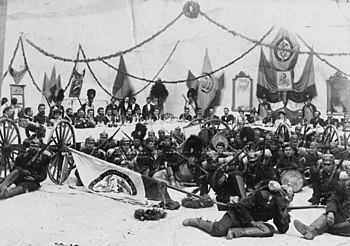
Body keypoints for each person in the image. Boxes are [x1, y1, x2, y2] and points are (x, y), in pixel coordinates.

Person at [183, 181, 293, 239]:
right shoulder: (263, 196)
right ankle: (198, 222)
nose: (285, 203)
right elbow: (240, 206)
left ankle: (237, 232)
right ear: (278, 195)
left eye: (287, 202)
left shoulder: (280, 208)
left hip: (250, 225)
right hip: (237, 216)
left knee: (270, 230)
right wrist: (253, 222)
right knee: (218, 231)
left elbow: (282, 230)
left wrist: (283, 215)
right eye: (284, 201)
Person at [294, 160, 350, 239]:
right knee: (327, 217)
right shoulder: (343, 185)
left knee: (336, 227)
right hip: (344, 215)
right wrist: (331, 212)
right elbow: (333, 199)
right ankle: (310, 231)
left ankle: (327, 228)